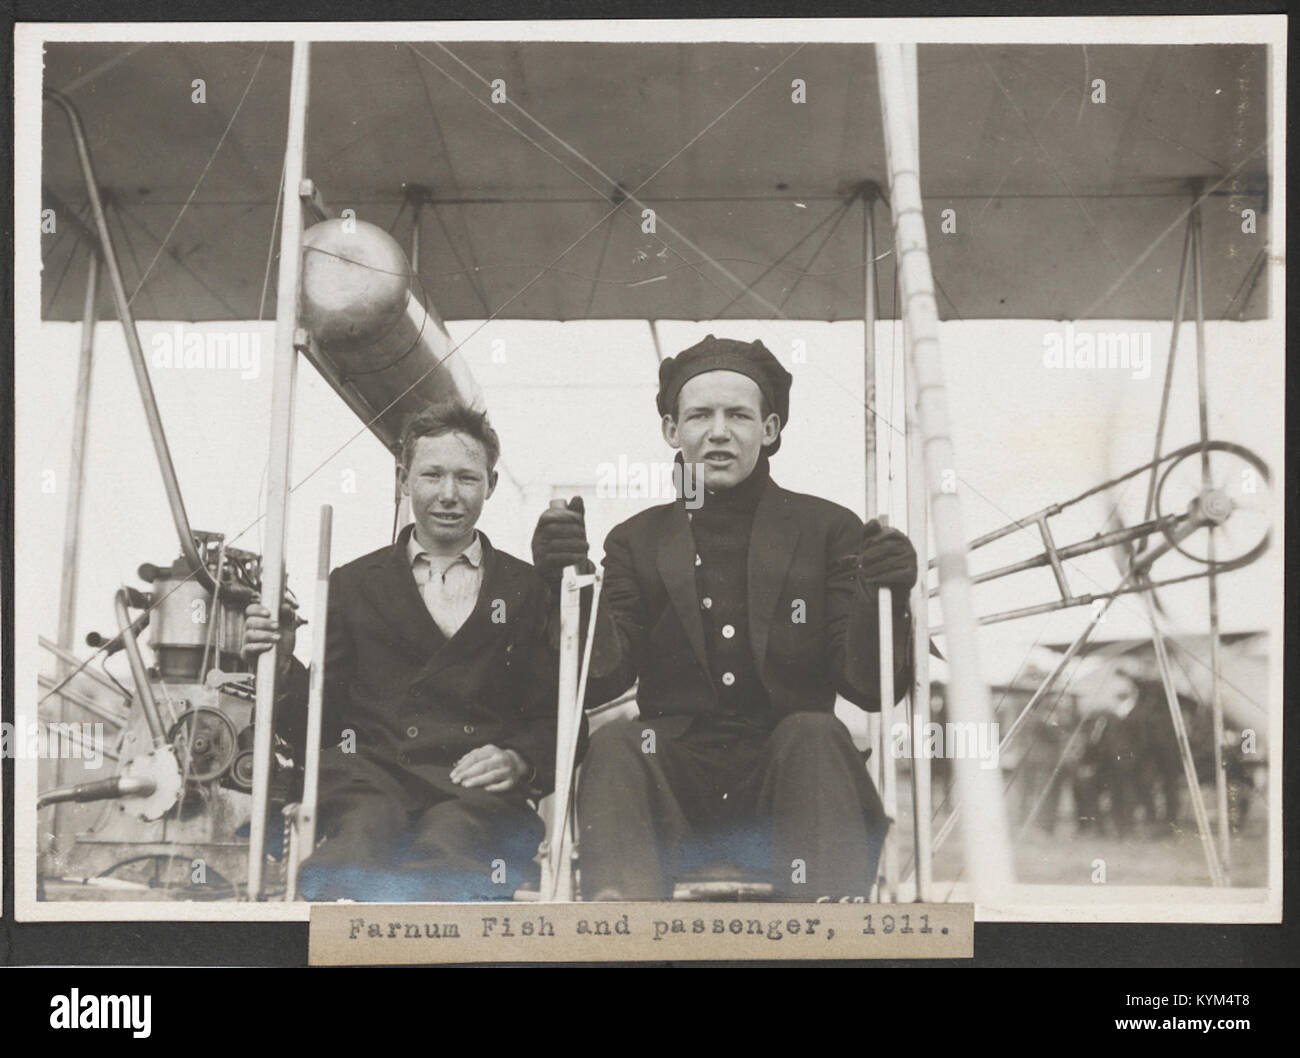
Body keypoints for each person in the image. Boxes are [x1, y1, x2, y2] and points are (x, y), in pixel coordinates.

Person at [532, 335, 917, 900]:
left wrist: (886, 592)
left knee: (815, 731)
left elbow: (867, 687)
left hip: (792, 784)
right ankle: (620, 927)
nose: (718, 431)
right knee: (616, 744)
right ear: (672, 430)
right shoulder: (636, 540)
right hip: (671, 790)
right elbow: (603, 680)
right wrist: (568, 583)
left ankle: (830, 928)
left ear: (770, 429)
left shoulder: (828, 529)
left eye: (738, 415)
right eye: (699, 416)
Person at [245, 402, 573, 901]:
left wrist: (519, 760)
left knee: (449, 857)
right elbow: (321, 724)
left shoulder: (527, 589)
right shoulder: (353, 584)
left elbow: (558, 717)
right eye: (432, 475)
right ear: (404, 479)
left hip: (473, 794)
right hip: (369, 785)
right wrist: (283, 663)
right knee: (355, 852)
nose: (448, 494)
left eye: (467, 478)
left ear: (491, 484)